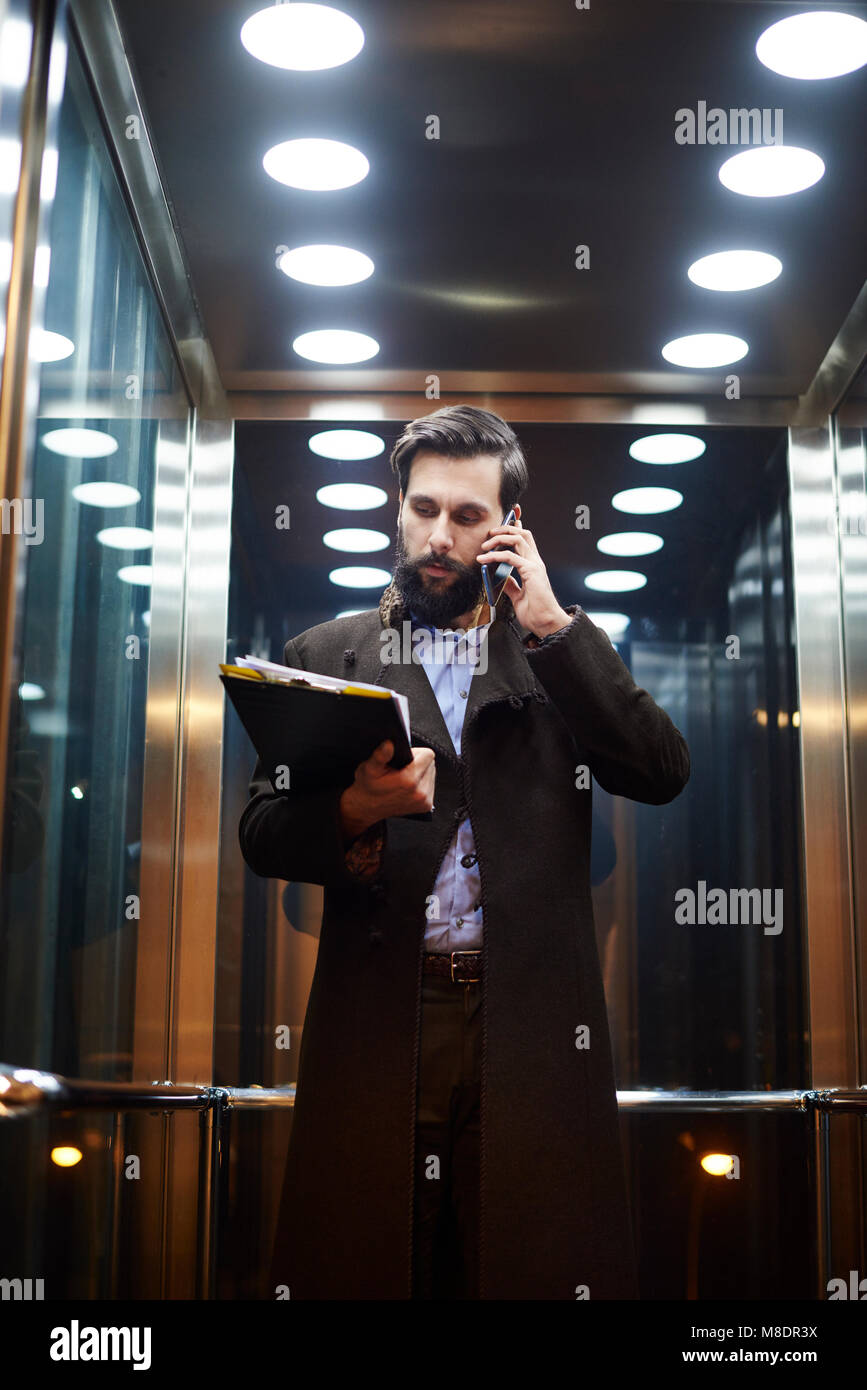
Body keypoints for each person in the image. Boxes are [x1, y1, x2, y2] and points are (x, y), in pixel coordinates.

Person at [239, 404, 690, 1300]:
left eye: (468, 516)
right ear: (398, 509)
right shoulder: (328, 654)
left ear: (507, 528)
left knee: (525, 1254)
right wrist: (354, 812)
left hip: (529, 1022)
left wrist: (554, 625)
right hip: (381, 1011)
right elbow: (260, 833)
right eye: (422, 508)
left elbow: (660, 771)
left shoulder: (552, 653)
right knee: (376, 1255)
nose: (437, 536)